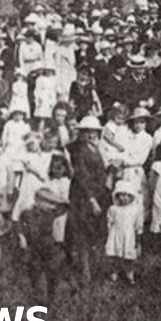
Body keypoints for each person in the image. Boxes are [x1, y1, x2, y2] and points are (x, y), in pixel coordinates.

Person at [67, 115, 107, 285]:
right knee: (83, 235)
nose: (91, 135)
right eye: (87, 132)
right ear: (82, 133)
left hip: (97, 194)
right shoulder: (80, 151)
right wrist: (92, 200)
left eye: (94, 132)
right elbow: (82, 177)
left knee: (94, 234)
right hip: (84, 197)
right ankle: (85, 273)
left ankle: (94, 269)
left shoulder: (95, 148)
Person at [18, 186, 69, 302]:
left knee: (51, 274)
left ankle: (50, 300)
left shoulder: (50, 213)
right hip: (34, 246)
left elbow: (66, 207)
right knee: (36, 274)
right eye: (48, 202)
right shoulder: (28, 213)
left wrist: (58, 200)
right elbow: (20, 225)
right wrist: (22, 237)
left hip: (48, 245)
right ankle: (39, 300)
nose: (51, 205)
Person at [106, 179, 143, 284]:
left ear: (131, 196)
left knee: (129, 257)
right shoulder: (113, 209)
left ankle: (129, 274)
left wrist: (138, 241)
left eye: (127, 195)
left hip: (129, 236)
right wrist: (110, 235)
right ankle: (113, 274)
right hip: (116, 234)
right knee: (114, 255)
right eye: (121, 195)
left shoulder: (135, 210)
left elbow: (138, 226)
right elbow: (110, 222)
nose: (124, 198)